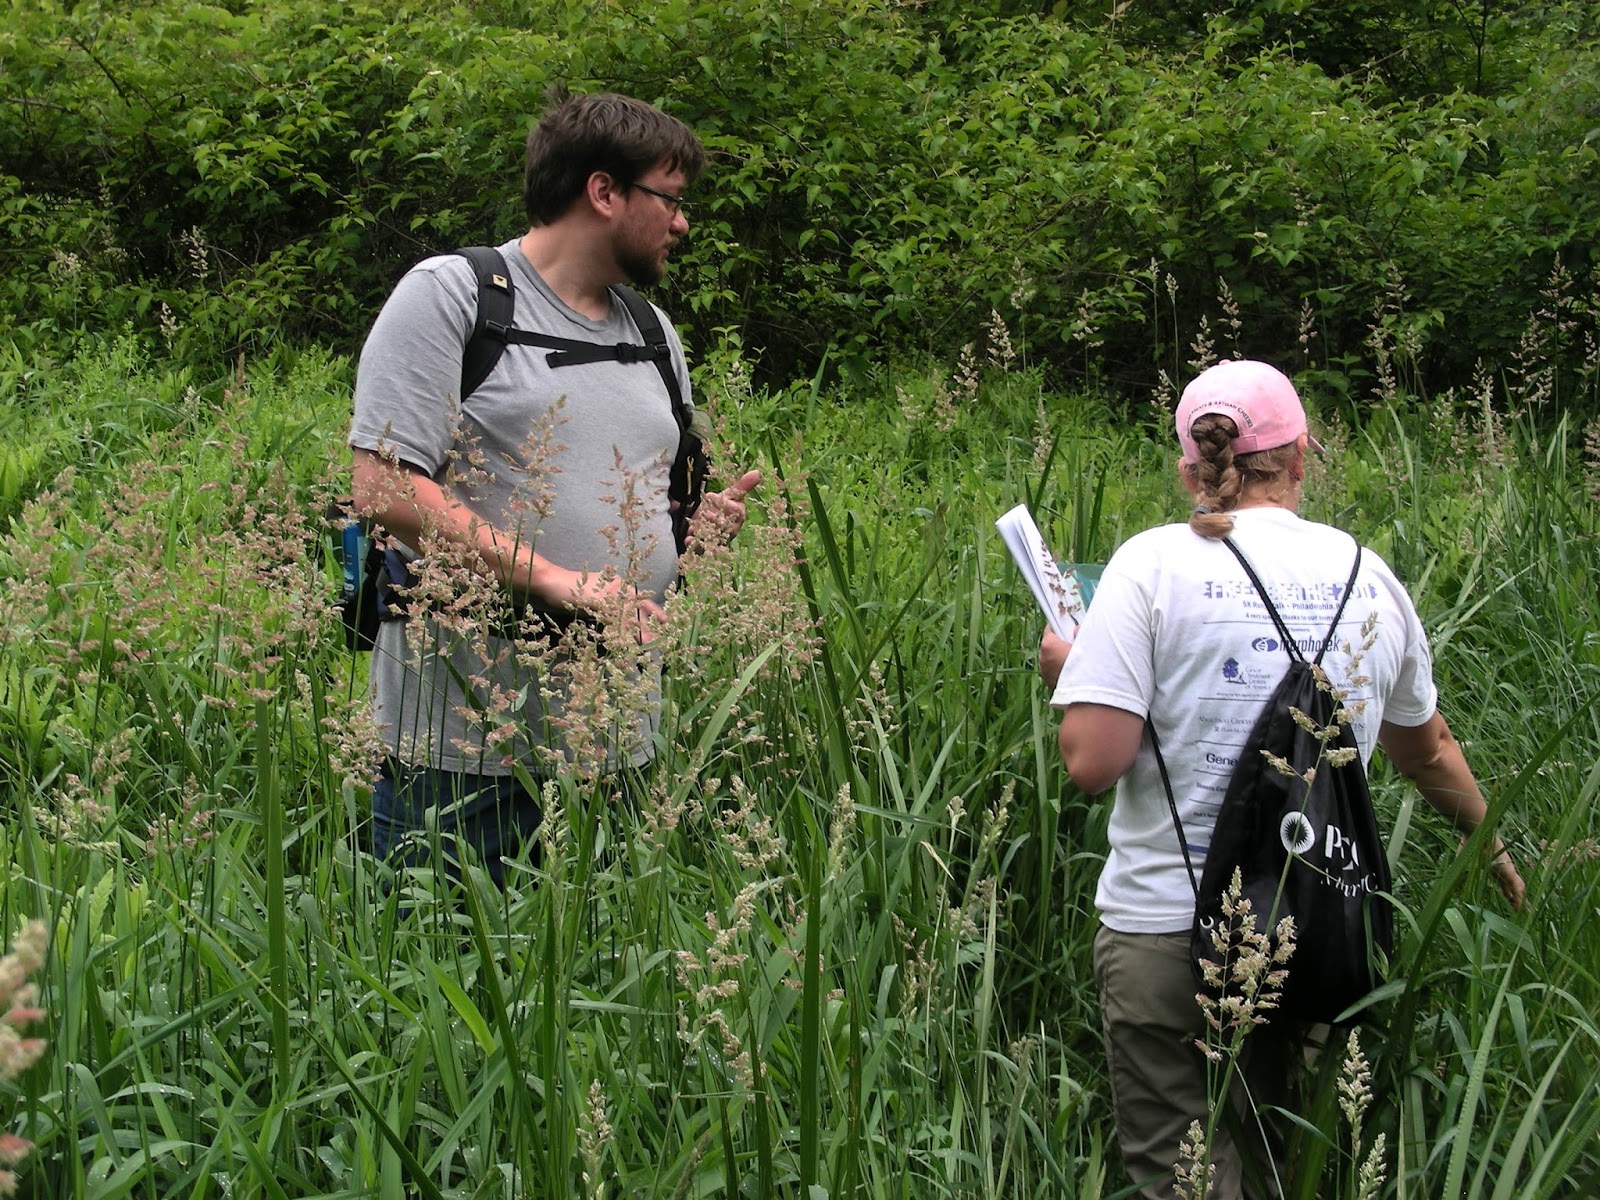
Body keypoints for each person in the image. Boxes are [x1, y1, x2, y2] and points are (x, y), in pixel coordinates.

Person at [1037, 359, 1525, 1198]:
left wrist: (1069, 669)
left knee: (1185, 1178)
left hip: (1163, 931)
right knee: (1275, 1166)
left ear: (1190, 466)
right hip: (1313, 926)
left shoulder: (1150, 566)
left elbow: (1092, 761)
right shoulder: (1371, 576)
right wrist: (1496, 849)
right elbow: (1428, 749)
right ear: (1303, 459)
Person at [348, 90, 760, 884]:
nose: (683, 223)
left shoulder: (652, 331)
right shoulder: (454, 295)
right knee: (445, 987)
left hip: (618, 743)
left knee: (599, 994)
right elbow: (384, 486)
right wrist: (557, 580)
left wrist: (693, 536)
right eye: (670, 200)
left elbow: (641, 521)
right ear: (604, 192)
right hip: (463, 748)